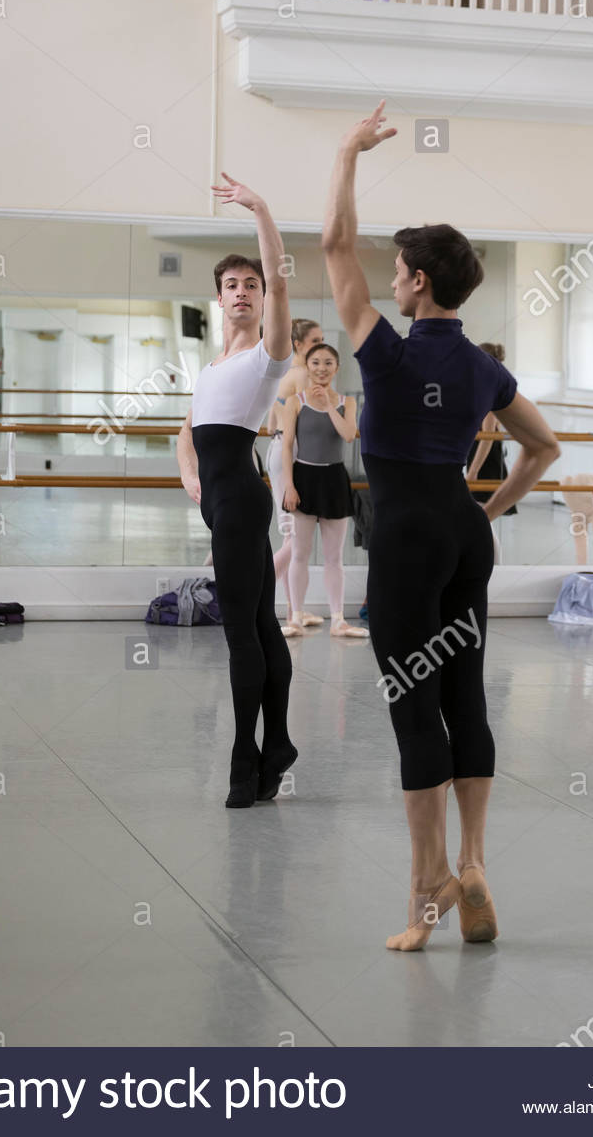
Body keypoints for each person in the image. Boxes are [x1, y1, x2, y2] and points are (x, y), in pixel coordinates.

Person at [322, 101, 561, 951]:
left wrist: (350, 150)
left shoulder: (385, 352)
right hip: (463, 533)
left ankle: (428, 892)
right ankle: (476, 861)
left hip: (407, 536)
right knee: (465, 693)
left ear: (419, 282)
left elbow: (334, 249)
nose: (387, 280)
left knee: (410, 703)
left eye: (398, 271)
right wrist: (486, 509)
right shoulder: (481, 367)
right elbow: (545, 447)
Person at [176, 173, 295, 809]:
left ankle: (244, 758)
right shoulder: (211, 368)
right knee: (261, 630)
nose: (243, 292)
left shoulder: (265, 358)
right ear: (218, 299)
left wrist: (260, 207)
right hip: (223, 501)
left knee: (242, 637)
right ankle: (275, 746)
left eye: (252, 285)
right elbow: (186, 434)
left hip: (244, 504)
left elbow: (279, 274)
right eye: (232, 286)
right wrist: (193, 481)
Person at [280, 342, 368, 639]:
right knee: (300, 554)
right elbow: (287, 446)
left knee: (334, 557)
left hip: (334, 480)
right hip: (304, 478)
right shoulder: (294, 402)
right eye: (315, 362)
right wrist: (289, 486)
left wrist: (329, 404)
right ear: (307, 367)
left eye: (328, 363)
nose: (321, 368)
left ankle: (338, 620)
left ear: (337, 368)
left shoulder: (347, 402)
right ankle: (294, 618)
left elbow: (347, 435)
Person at [264, 318, 326, 628]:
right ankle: (252, 600)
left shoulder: (285, 374)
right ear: (299, 345)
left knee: (292, 535)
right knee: (295, 542)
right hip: (290, 453)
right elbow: (312, 421)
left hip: (279, 450)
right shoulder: (301, 374)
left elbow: (270, 423)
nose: (321, 347)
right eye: (315, 341)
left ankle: (293, 612)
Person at [466, 342, 517, 555]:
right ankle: (490, 562)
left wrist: (473, 472)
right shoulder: (480, 392)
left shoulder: (491, 394)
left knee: (482, 520)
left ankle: (494, 564)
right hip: (476, 457)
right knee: (480, 520)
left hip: (486, 462)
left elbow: (487, 439)